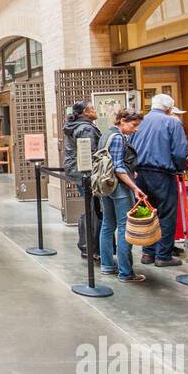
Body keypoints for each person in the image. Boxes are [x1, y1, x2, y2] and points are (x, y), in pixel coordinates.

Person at [131, 94, 188, 267]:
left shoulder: (140, 121)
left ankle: (148, 252)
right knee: (166, 213)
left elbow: (131, 146)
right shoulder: (172, 122)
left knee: (147, 212)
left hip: (139, 173)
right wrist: (180, 168)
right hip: (162, 172)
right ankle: (163, 255)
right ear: (170, 108)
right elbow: (179, 151)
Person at [98, 108, 149, 283]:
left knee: (107, 225)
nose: (135, 129)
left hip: (105, 186)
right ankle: (126, 272)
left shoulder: (106, 134)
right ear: (123, 121)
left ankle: (106, 265)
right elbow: (118, 167)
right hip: (119, 188)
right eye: (133, 125)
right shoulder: (118, 138)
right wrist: (134, 187)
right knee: (124, 228)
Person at [62, 101, 101, 260]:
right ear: (85, 111)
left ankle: (88, 245)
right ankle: (89, 246)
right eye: (92, 107)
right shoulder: (85, 128)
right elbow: (90, 154)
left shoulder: (76, 126)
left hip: (78, 172)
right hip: (85, 174)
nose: (95, 110)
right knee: (92, 209)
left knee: (91, 208)